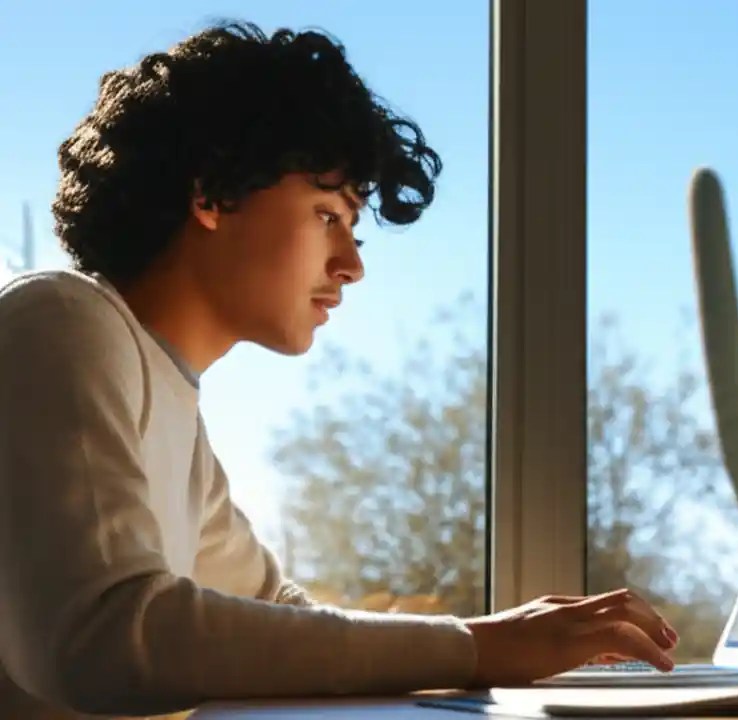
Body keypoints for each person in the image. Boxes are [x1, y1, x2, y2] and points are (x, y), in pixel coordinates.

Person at [0, 19, 677, 720]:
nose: (352, 265)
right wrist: (479, 645)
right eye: (329, 215)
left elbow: (273, 615)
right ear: (211, 194)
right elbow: (107, 639)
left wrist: (511, 643)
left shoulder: (170, 404)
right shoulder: (58, 318)